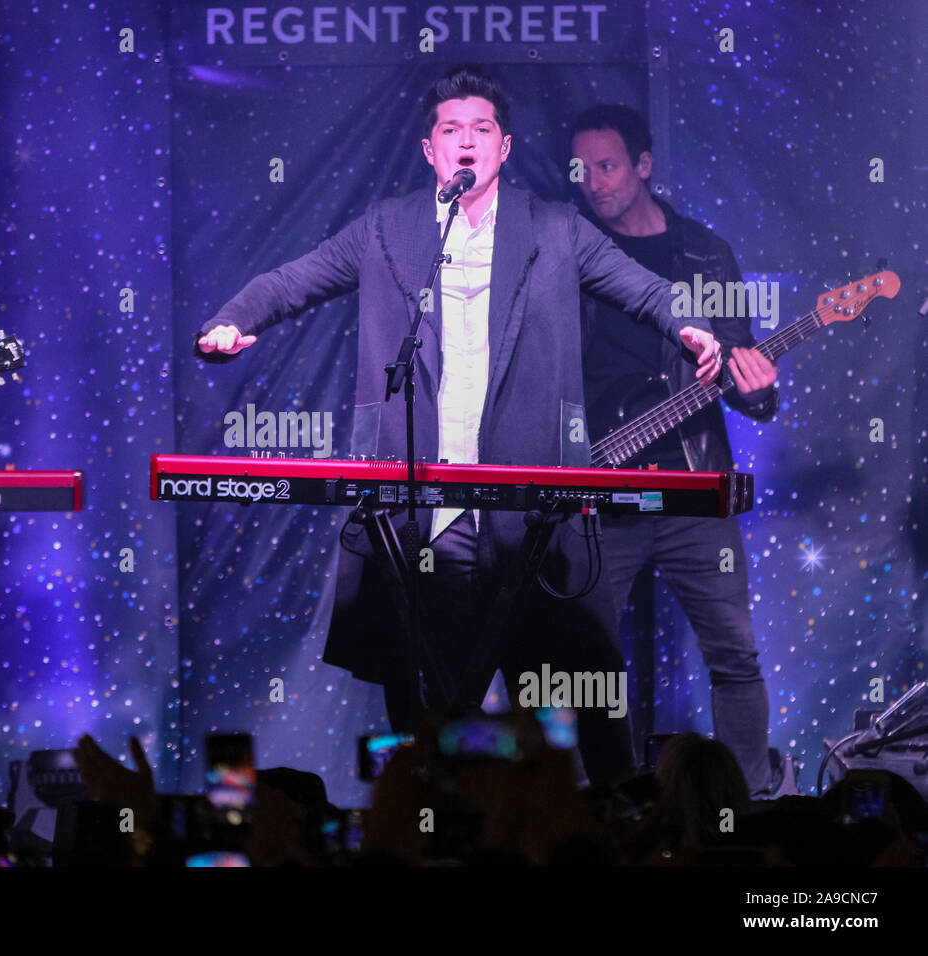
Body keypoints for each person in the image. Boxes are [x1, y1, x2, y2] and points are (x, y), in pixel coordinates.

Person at [195, 67, 724, 787]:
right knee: (432, 717)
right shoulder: (388, 228)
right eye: (452, 131)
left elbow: (644, 289)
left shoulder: (557, 228)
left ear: (504, 147)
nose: (466, 143)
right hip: (425, 517)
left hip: (530, 514)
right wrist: (232, 319)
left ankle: (597, 826)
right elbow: (298, 279)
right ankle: (441, 827)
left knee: (569, 706)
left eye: (481, 131)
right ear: (429, 150)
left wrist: (690, 325)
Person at [570, 104, 776, 797]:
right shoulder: (570, 254)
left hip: (693, 484)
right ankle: (607, 808)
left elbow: (744, 371)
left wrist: (757, 390)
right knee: (589, 664)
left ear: (644, 165)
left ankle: (743, 808)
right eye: (584, 169)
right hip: (600, 493)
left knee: (735, 654)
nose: (595, 182)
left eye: (609, 165)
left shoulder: (706, 253)